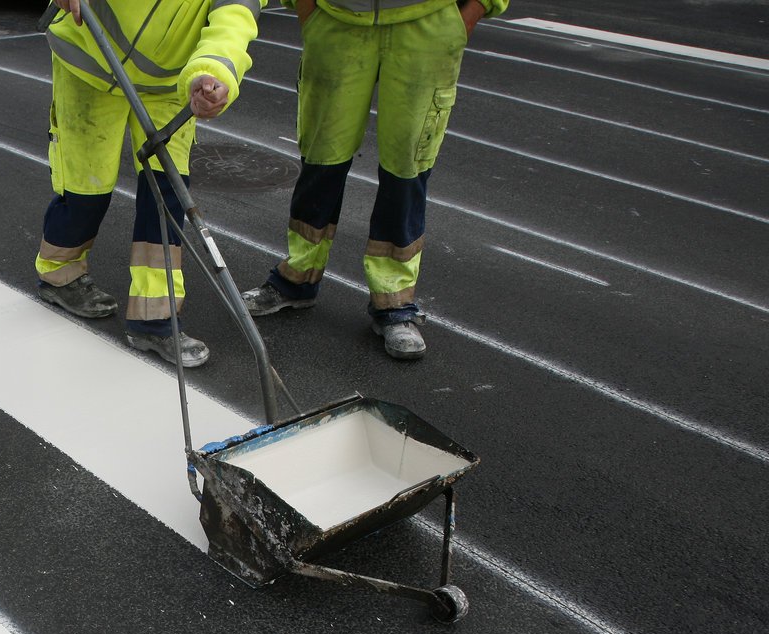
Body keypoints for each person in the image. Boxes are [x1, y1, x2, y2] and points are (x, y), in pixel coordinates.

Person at [241, 0, 505, 359]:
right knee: (321, 159)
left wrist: (468, 15)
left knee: (407, 169)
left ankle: (393, 301)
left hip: (428, 25)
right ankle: (298, 276)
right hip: (335, 19)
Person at [35, 0, 265, 368]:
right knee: (86, 190)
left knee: (167, 196)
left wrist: (216, 74)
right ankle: (60, 276)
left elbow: (234, 19)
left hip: (170, 85)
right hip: (89, 61)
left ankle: (154, 320)